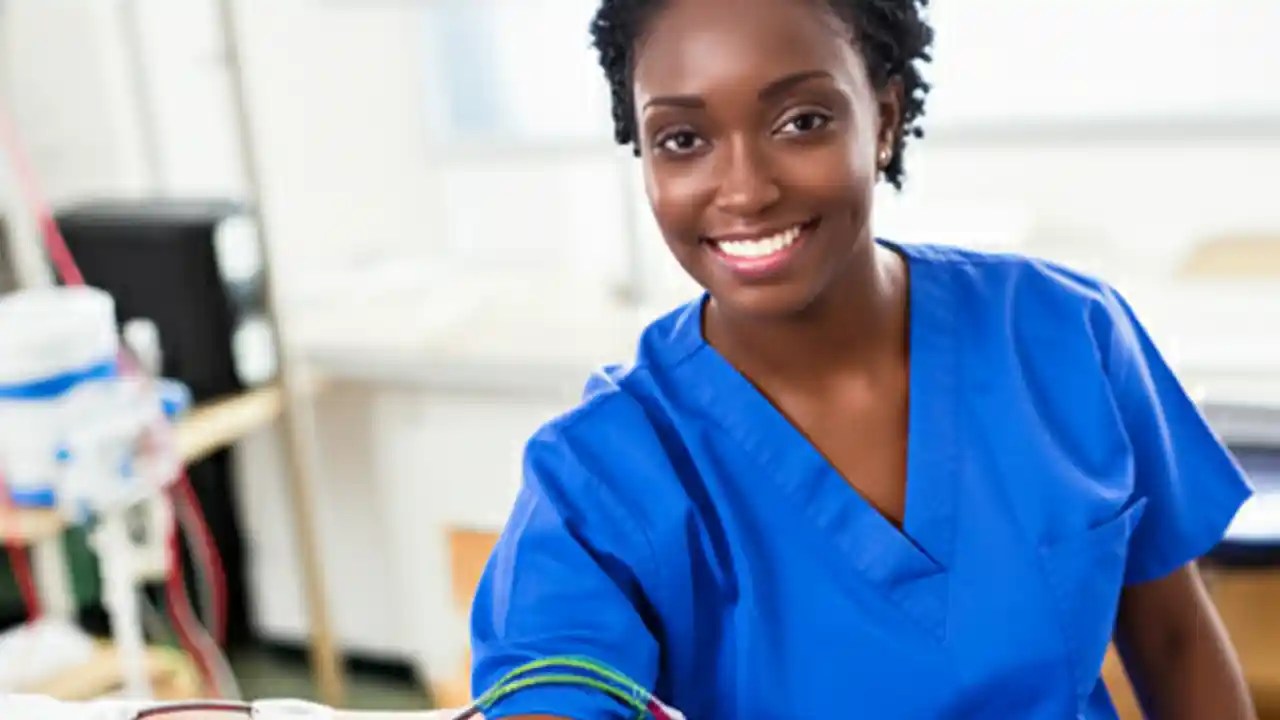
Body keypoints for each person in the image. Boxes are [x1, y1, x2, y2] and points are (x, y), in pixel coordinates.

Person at [468, 0, 1257, 718]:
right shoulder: (600, 471)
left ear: (883, 119)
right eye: (683, 140)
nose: (744, 191)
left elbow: (1177, 644)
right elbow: (551, 682)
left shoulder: (1065, 336)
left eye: (801, 121)